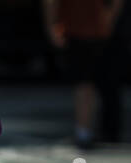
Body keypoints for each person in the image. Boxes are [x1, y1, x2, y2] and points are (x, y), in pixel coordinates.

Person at [45, 0, 127, 147]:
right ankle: (88, 130)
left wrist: (52, 25)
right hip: (92, 29)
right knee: (91, 83)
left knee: (84, 83)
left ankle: (85, 131)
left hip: (81, 29)